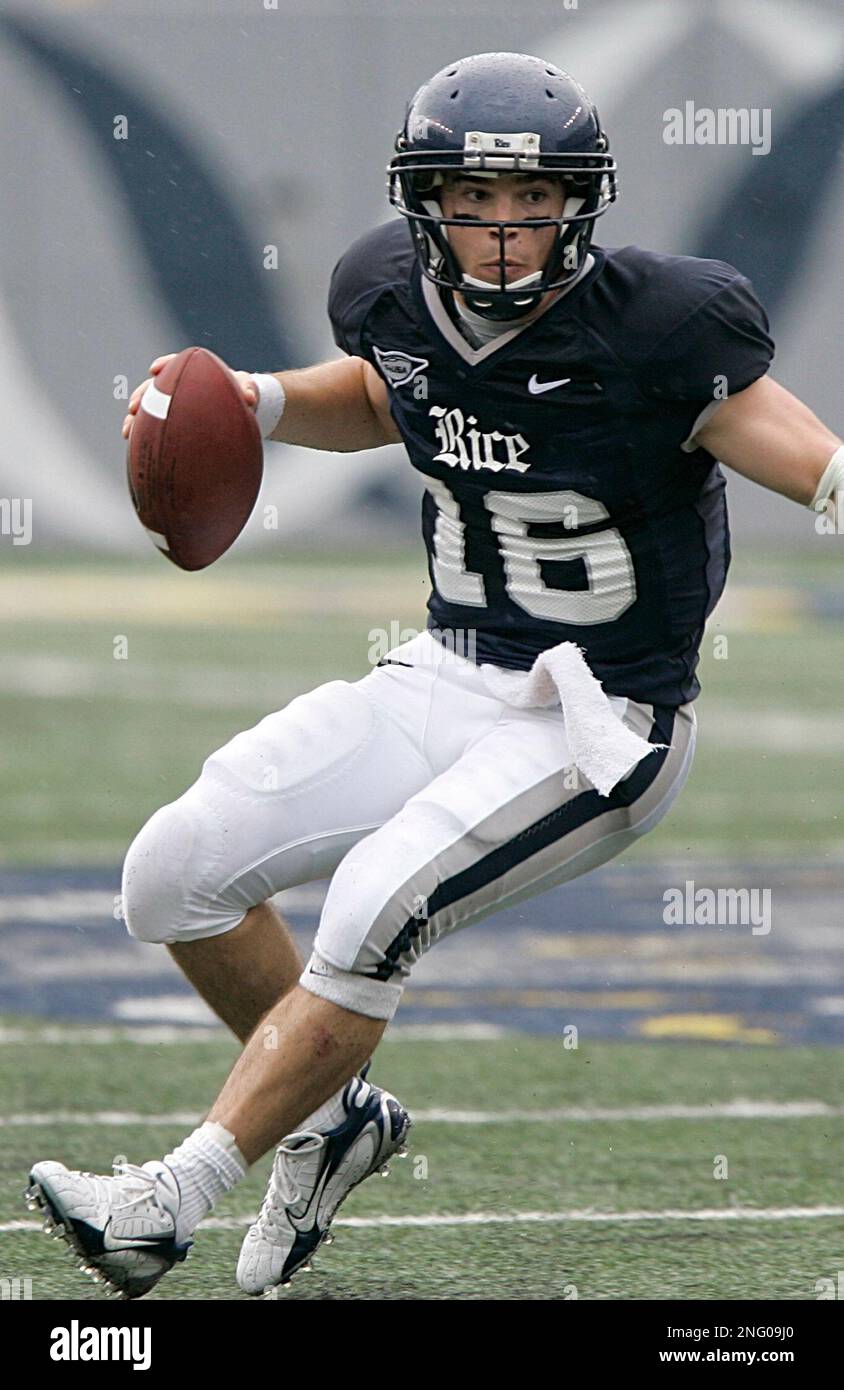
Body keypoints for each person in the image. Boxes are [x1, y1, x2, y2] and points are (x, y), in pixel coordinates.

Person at [26, 51, 842, 1300]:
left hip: (599, 719)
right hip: (446, 666)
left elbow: (799, 454)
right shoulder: (388, 294)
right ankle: (334, 1120)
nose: (505, 228)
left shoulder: (665, 327)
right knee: (171, 872)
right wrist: (255, 402)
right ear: (426, 202)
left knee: (369, 906)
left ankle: (167, 1197)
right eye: (475, 197)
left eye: (534, 200)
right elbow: (381, 394)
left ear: (583, 203)